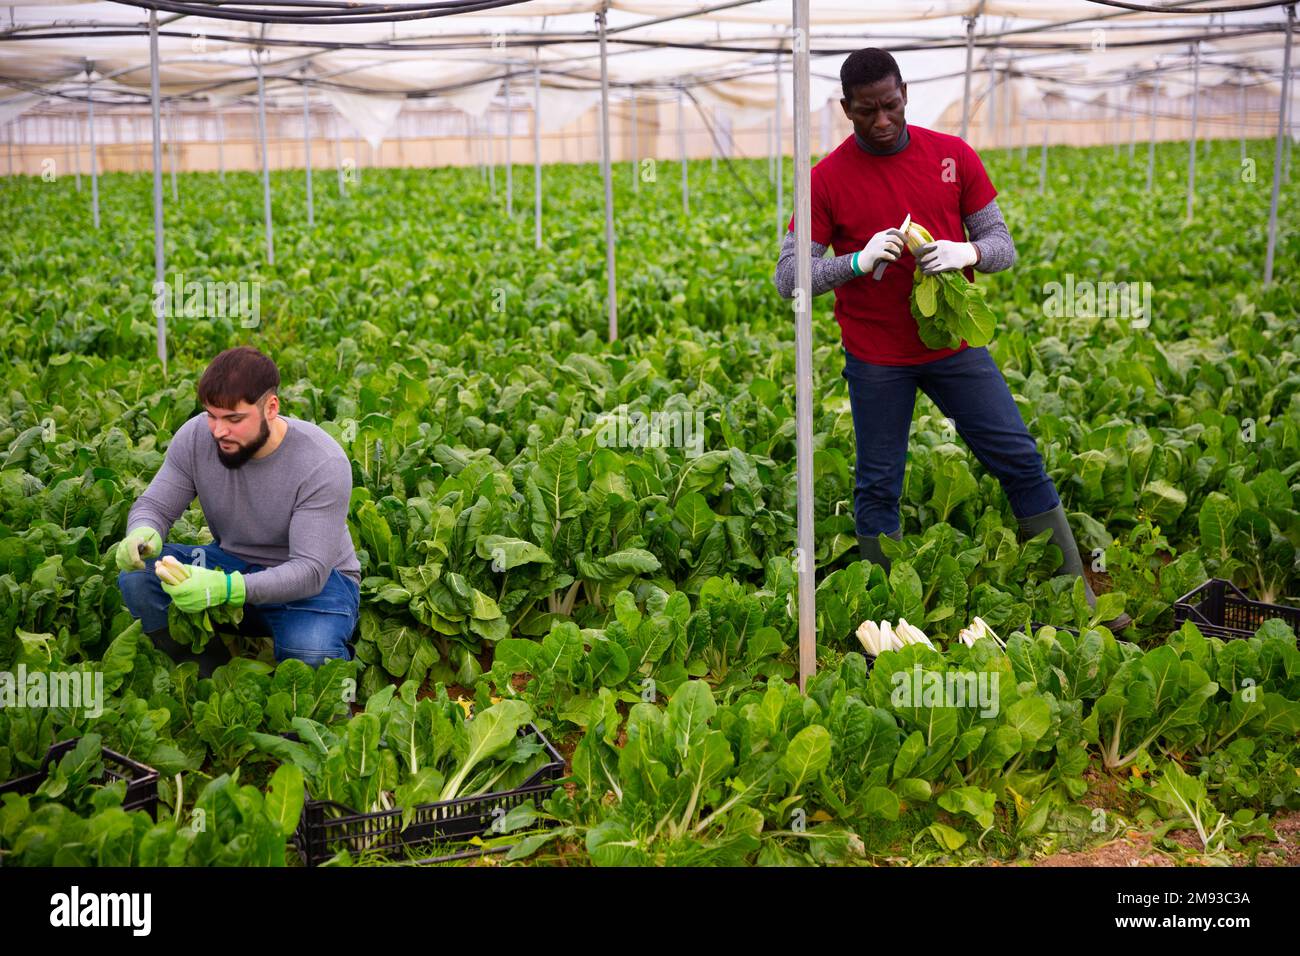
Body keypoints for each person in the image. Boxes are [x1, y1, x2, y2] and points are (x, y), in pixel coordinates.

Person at [774, 48, 1129, 630]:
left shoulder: (953, 156)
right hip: (877, 357)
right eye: (867, 112)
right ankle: (885, 626)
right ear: (846, 109)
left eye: (890, 105)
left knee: (1018, 458)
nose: (882, 121)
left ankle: (1079, 603)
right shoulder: (825, 180)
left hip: (954, 348)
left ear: (905, 93)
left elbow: (1002, 243)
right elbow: (790, 278)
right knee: (878, 485)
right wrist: (855, 261)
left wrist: (971, 251)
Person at [114, 346, 363, 673]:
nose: (218, 431)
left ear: (271, 408)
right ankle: (206, 676)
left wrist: (226, 588)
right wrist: (142, 532)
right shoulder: (195, 438)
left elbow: (309, 571)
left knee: (310, 653)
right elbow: (155, 506)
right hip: (232, 563)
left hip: (317, 584)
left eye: (234, 419)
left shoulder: (320, 462)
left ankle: (311, 710)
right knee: (139, 577)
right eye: (212, 415)